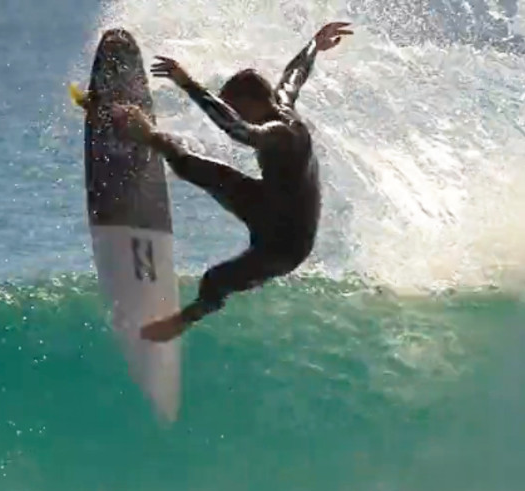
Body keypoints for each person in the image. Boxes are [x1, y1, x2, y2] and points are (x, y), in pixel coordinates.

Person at [113, 21, 354, 342]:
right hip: (265, 201)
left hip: (285, 242)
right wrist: (314, 44)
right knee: (193, 166)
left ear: (254, 103)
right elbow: (295, 75)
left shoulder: (280, 133)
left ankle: (187, 319)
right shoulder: (280, 103)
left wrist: (188, 84)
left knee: (215, 280)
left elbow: (237, 130)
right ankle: (142, 134)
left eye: (238, 108)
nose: (237, 114)